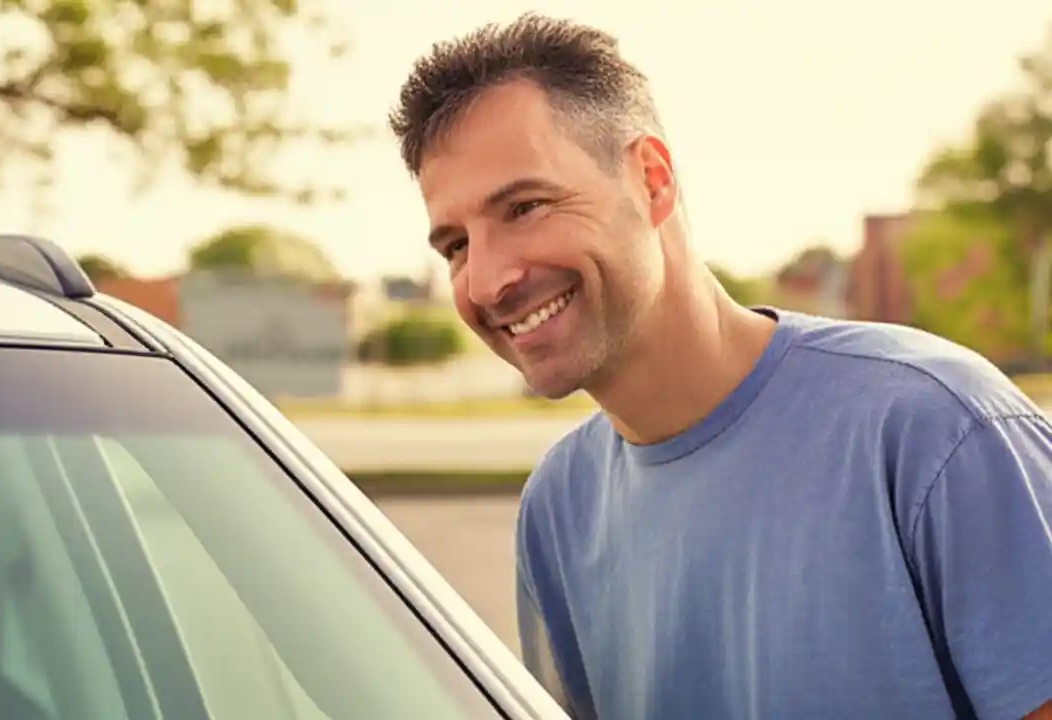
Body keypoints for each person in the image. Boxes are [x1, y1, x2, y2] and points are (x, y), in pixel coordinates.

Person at [388, 12, 1052, 720]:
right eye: (455, 245)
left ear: (651, 179)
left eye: (524, 206)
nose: (487, 281)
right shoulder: (558, 508)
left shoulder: (936, 431)